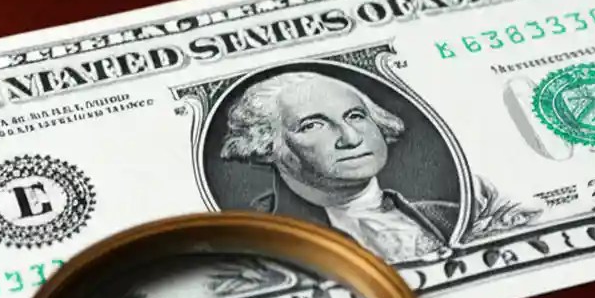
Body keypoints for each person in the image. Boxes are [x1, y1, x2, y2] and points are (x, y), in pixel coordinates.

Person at [219, 70, 544, 263]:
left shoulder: (449, 214)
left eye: (356, 116)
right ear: (263, 147)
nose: (349, 137)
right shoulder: (258, 246)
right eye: (312, 125)